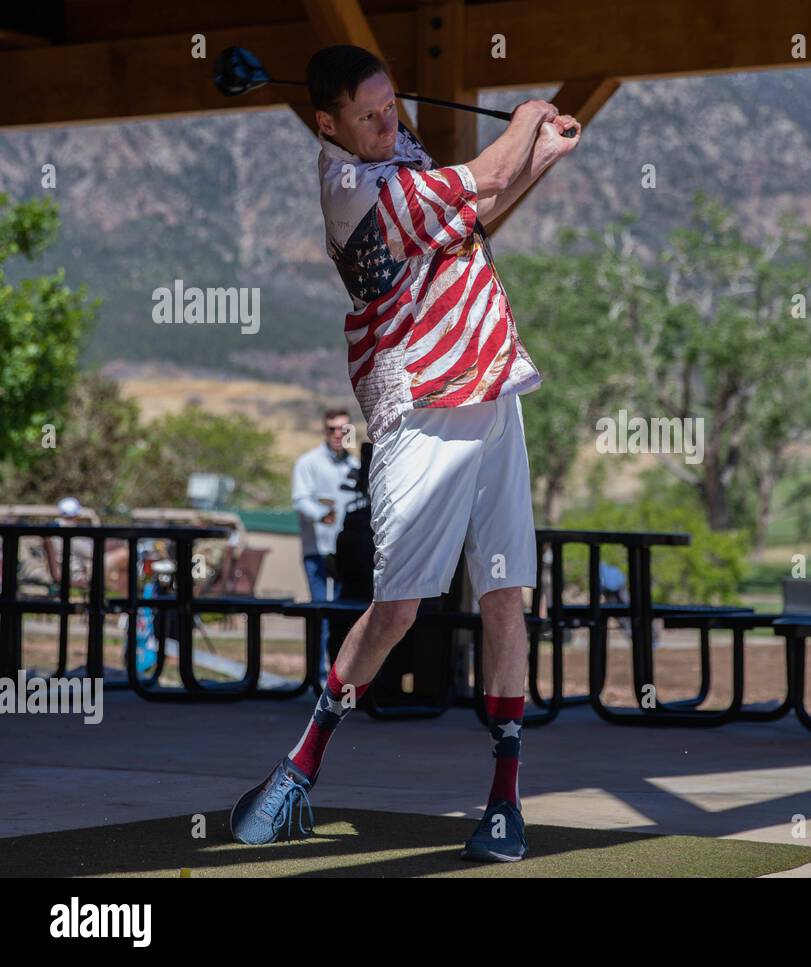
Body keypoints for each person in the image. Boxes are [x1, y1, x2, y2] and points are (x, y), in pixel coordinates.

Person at [231, 44, 581, 862]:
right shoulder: (358, 189)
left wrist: (545, 159)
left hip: (493, 390)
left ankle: (504, 801)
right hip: (424, 410)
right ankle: (297, 770)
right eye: (371, 116)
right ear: (329, 125)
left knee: (506, 598)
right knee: (396, 612)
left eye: (393, 108)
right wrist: (529, 120)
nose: (392, 125)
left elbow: (477, 214)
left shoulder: (397, 156)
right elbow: (485, 179)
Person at [291, 408, 360, 682]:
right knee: (321, 611)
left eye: (343, 429)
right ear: (324, 431)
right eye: (332, 429)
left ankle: (339, 674)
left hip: (348, 553)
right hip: (318, 551)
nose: (337, 434)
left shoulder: (354, 468)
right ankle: (317, 675)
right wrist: (321, 515)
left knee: (344, 614)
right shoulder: (308, 463)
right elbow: (300, 500)